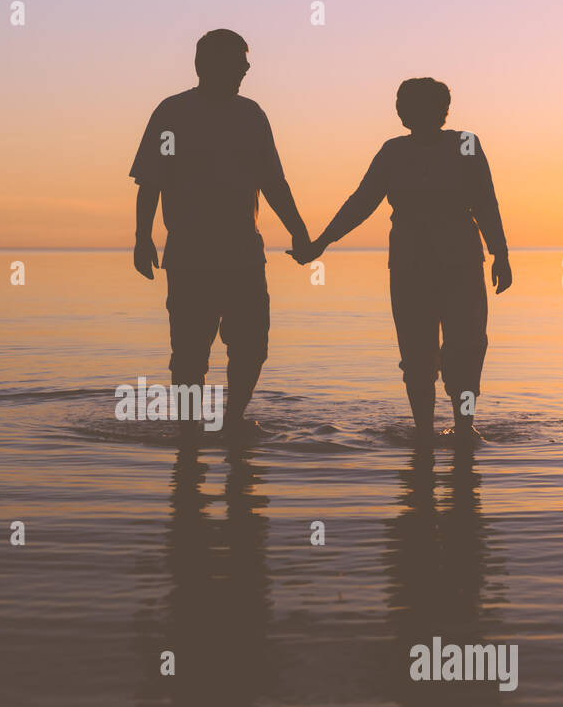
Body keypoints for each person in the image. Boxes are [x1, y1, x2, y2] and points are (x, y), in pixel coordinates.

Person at [290, 78, 511, 444]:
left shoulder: (465, 143)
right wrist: (321, 244)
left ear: (440, 111)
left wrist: (499, 253)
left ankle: (464, 425)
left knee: (467, 347)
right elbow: (361, 203)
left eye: (406, 102)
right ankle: (424, 430)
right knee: (416, 352)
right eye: (399, 103)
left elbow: (485, 200)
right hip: (411, 265)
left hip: (460, 262)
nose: (399, 109)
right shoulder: (393, 152)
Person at [130, 28, 310, 443]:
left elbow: (274, 183)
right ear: (207, 65)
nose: (247, 67)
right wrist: (142, 238)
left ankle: (232, 420)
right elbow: (151, 181)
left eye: (246, 60)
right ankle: (190, 430)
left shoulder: (251, 115)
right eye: (239, 60)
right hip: (190, 254)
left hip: (243, 253)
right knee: (190, 351)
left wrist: (299, 232)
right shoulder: (172, 113)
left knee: (251, 345)